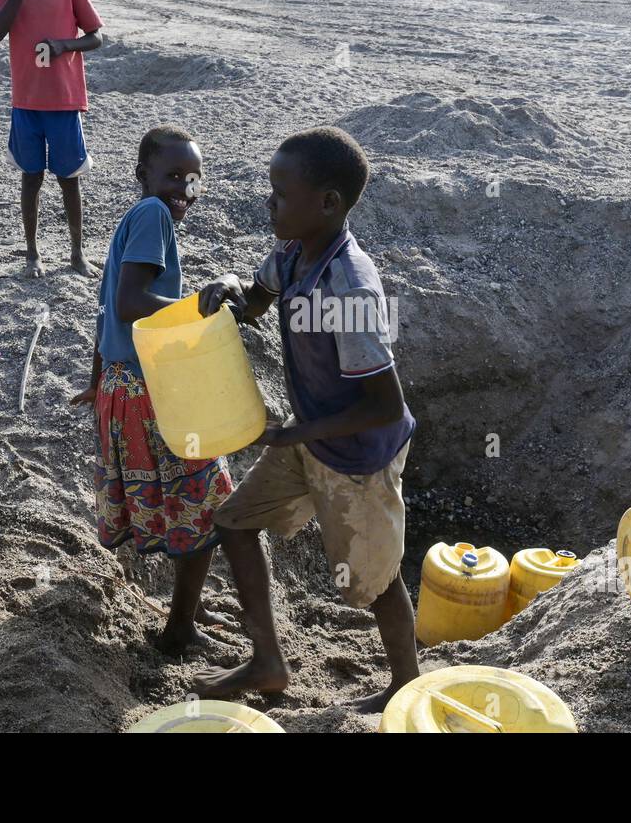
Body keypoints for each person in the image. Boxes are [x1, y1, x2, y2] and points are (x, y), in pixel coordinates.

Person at [193, 127, 418, 711]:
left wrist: (292, 432)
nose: (269, 202)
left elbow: (383, 404)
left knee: (377, 580)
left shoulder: (350, 288)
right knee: (235, 522)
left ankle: (404, 685)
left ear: (328, 203)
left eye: (280, 192)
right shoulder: (293, 253)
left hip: (360, 456)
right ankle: (268, 662)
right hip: (311, 433)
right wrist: (228, 292)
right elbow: (256, 302)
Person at [70, 125, 236, 655]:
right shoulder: (152, 215)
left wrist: (96, 382)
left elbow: (106, 311)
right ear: (143, 175)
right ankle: (179, 630)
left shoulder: (137, 219)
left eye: (193, 181)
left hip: (122, 386)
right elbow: (129, 302)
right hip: (147, 391)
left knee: (186, 499)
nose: (183, 190)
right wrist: (199, 307)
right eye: (171, 177)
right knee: (208, 501)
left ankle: (189, 606)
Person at [0, 0, 103, 278]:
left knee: (69, 179)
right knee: (30, 177)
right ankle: (33, 253)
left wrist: (64, 46)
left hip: (64, 102)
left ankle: (77, 253)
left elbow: (96, 36)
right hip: (26, 102)